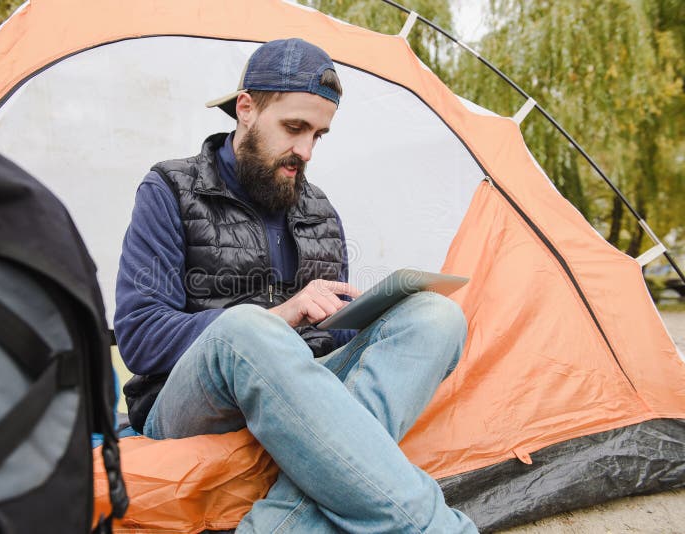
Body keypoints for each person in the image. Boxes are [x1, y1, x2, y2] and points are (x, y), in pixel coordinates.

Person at [114, 38, 477, 533]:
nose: (304, 151)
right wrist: (282, 315)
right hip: (187, 407)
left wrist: (362, 316)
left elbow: (335, 343)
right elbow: (139, 336)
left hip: (302, 398)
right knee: (246, 330)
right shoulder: (170, 190)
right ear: (246, 109)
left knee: (437, 317)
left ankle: (281, 521)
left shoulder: (320, 209)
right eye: (294, 128)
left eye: (318, 136)